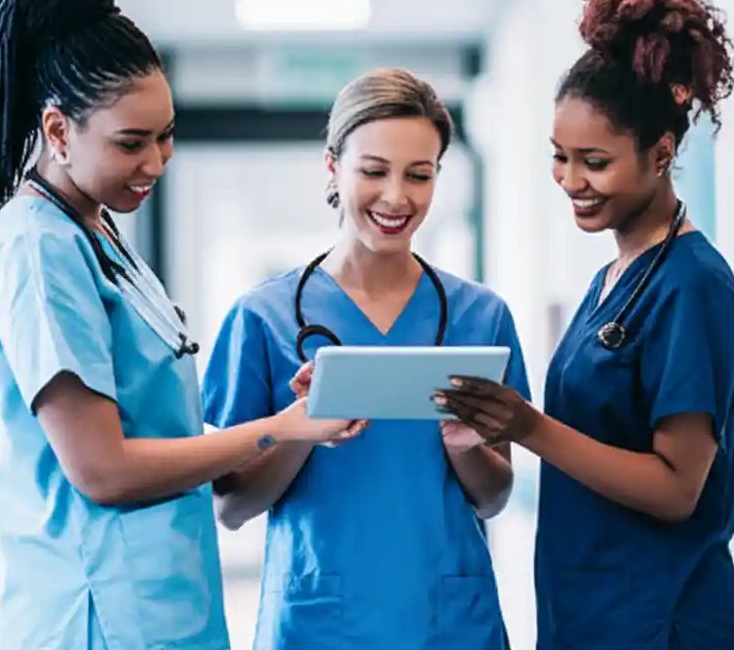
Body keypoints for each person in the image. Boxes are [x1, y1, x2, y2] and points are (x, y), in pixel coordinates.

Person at [0, 0, 358, 649]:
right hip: (98, 614)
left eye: (165, 135)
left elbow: (163, 427)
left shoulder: (96, 232)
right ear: (57, 131)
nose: (156, 162)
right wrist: (279, 427)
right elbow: (103, 471)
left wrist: (296, 421)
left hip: (159, 604)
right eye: (130, 143)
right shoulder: (36, 247)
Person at [436, 0, 734, 648]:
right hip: (591, 615)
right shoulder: (614, 278)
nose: (571, 181)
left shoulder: (693, 286)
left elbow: (677, 489)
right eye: (559, 157)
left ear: (662, 153)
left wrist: (526, 426)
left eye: (595, 162)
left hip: (663, 622)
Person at [203, 68, 530, 649]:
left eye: (419, 175)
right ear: (332, 166)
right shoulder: (264, 318)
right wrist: (303, 428)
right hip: (320, 624)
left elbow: (493, 496)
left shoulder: (481, 317)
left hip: (448, 623)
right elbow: (231, 507)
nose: (397, 197)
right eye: (374, 171)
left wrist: (466, 446)